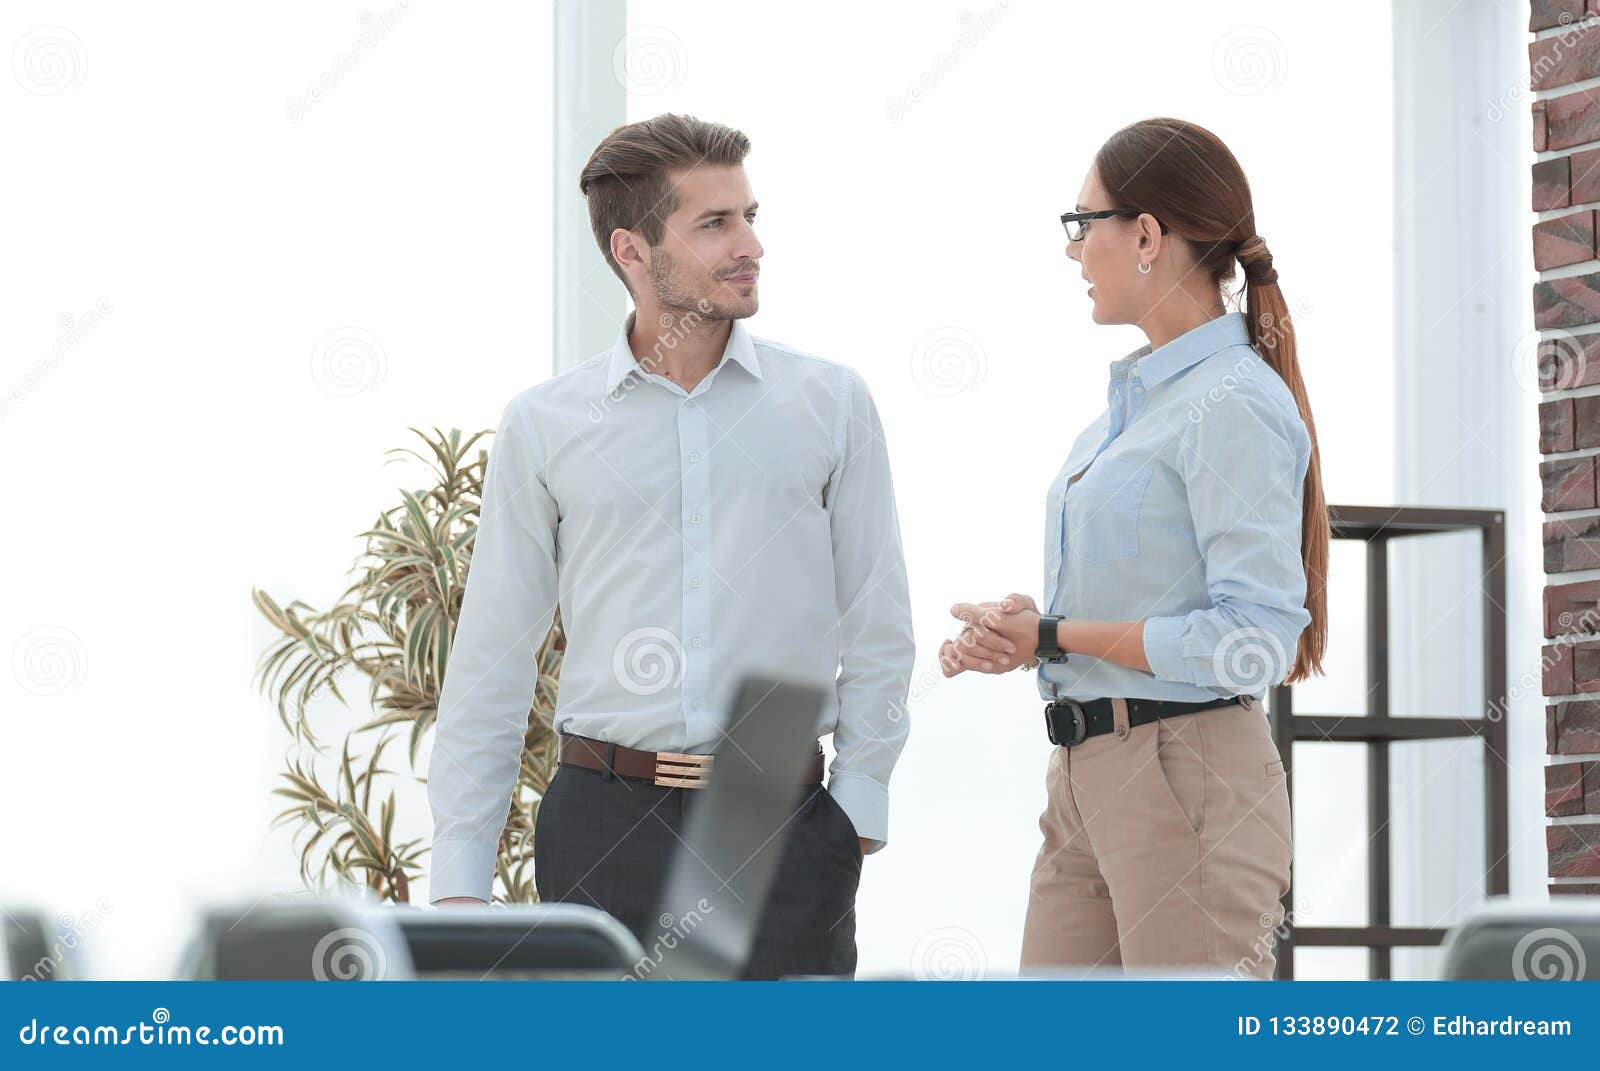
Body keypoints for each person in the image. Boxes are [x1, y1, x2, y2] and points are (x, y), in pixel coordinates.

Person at [426, 114, 914, 980]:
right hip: (601, 825)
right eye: (714, 223)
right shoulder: (546, 424)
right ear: (632, 251)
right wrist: (461, 875)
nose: (750, 245)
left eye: (749, 216)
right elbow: (494, 652)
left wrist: (855, 809)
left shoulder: (831, 403)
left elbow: (879, 622)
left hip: (781, 819)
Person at [939, 117, 1328, 980]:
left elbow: (1254, 639)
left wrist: (1056, 634)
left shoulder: (1235, 400)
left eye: (1084, 224)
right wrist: (1030, 630)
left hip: (1187, 776)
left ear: (1147, 235)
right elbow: (1141, 599)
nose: (1072, 249)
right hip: (1084, 774)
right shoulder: (1125, 413)